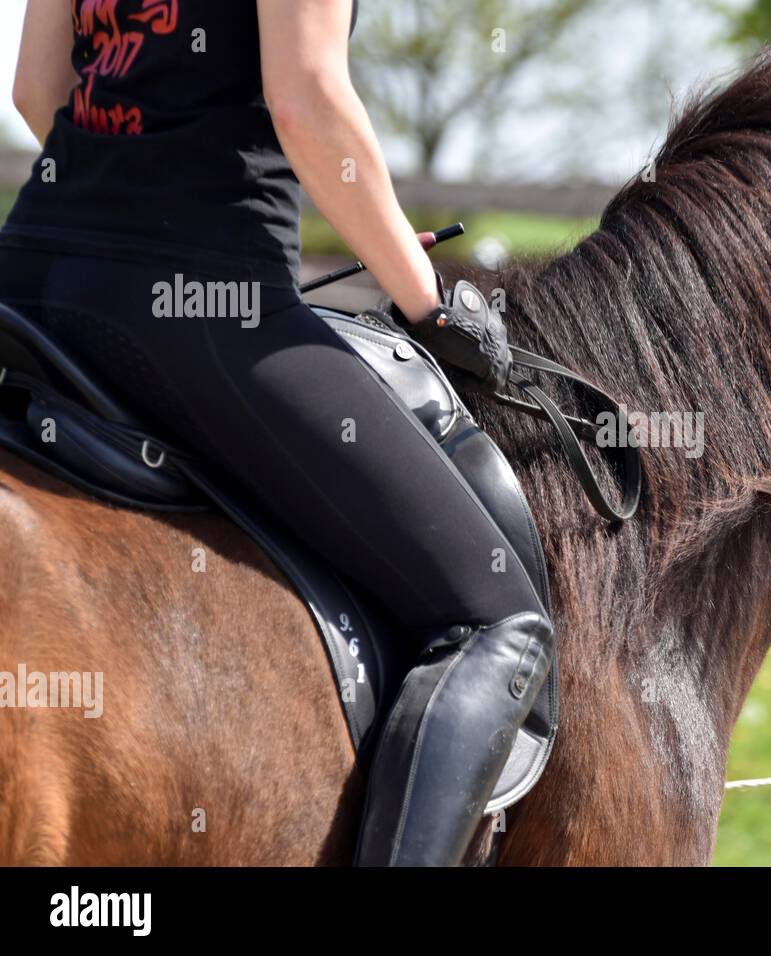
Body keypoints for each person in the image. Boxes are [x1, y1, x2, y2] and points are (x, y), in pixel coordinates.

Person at [0, 0, 553, 866]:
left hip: (31, 280)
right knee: (496, 619)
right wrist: (430, 302)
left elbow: (37, 91)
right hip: (195, 305)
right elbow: (307, 103)